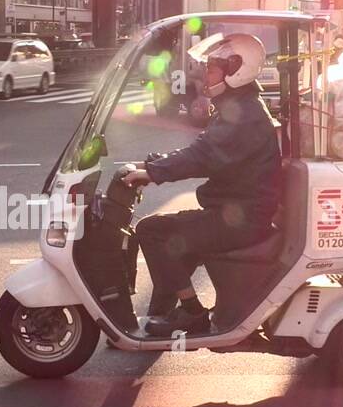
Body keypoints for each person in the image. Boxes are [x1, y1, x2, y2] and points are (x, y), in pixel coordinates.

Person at [120, 33, 282, 336]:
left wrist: (154, 172)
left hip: (241, 219)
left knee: (151, 232)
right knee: (170, 235)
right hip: (237, 212)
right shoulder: (240, 106)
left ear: (236, 70)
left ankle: (193, 314)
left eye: (211, 69)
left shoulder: (244, 115)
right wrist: (153, 164)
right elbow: (205, 149)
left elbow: (203, 156)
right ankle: (161, 315)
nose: (204, 75)